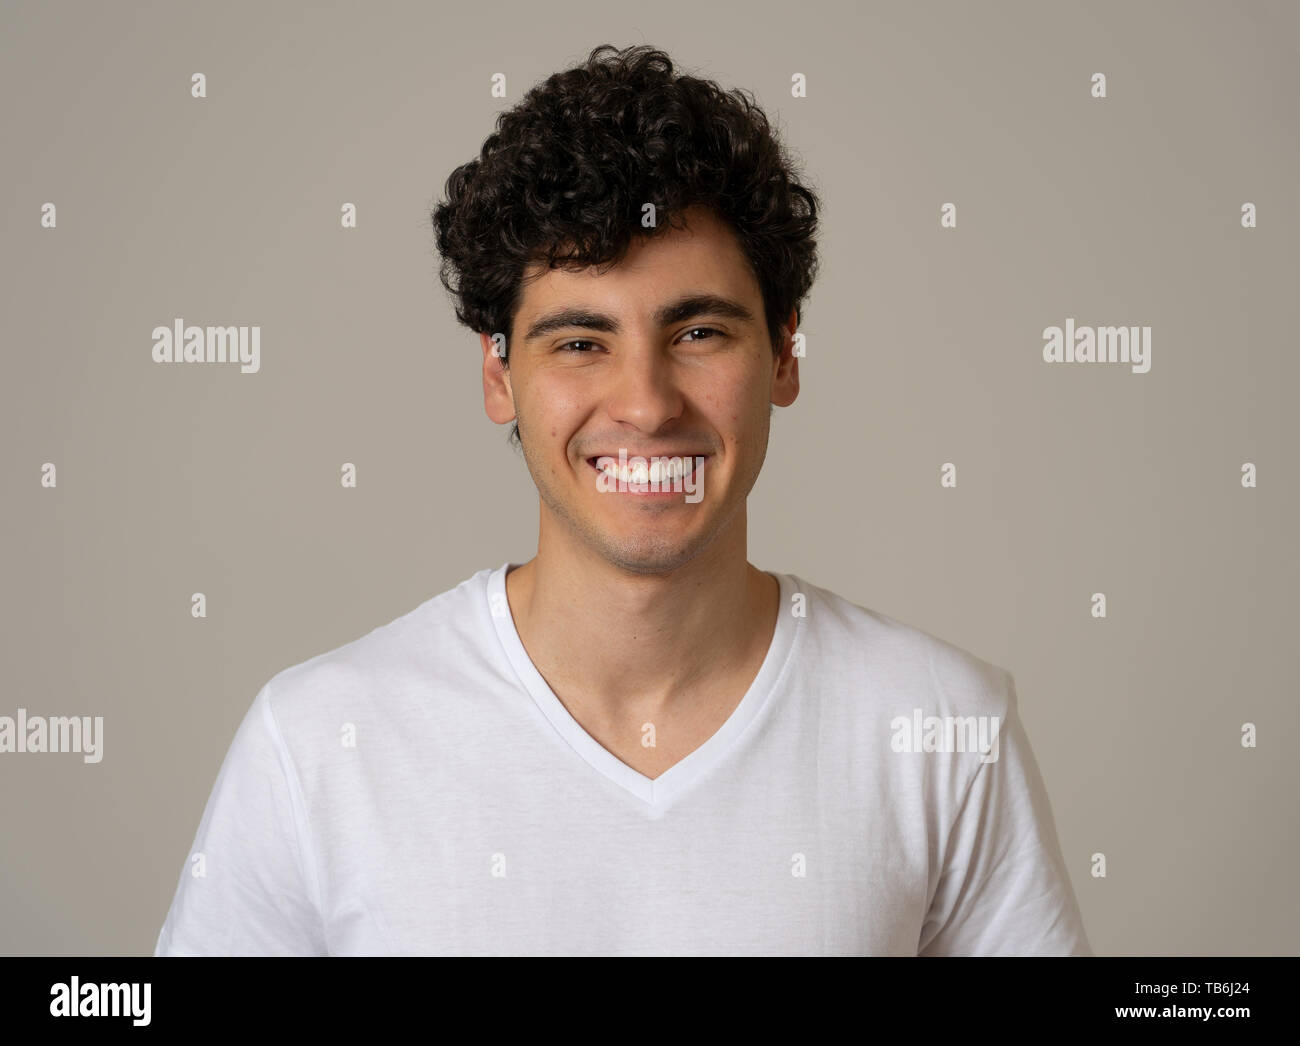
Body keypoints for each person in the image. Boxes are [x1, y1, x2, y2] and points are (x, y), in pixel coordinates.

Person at [154, 43, 1091, 956]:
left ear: (785, 353)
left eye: (698, 330)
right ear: (498, 373)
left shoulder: (941, 729)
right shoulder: (319, 744)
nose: (645, 402)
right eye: (578, 342)